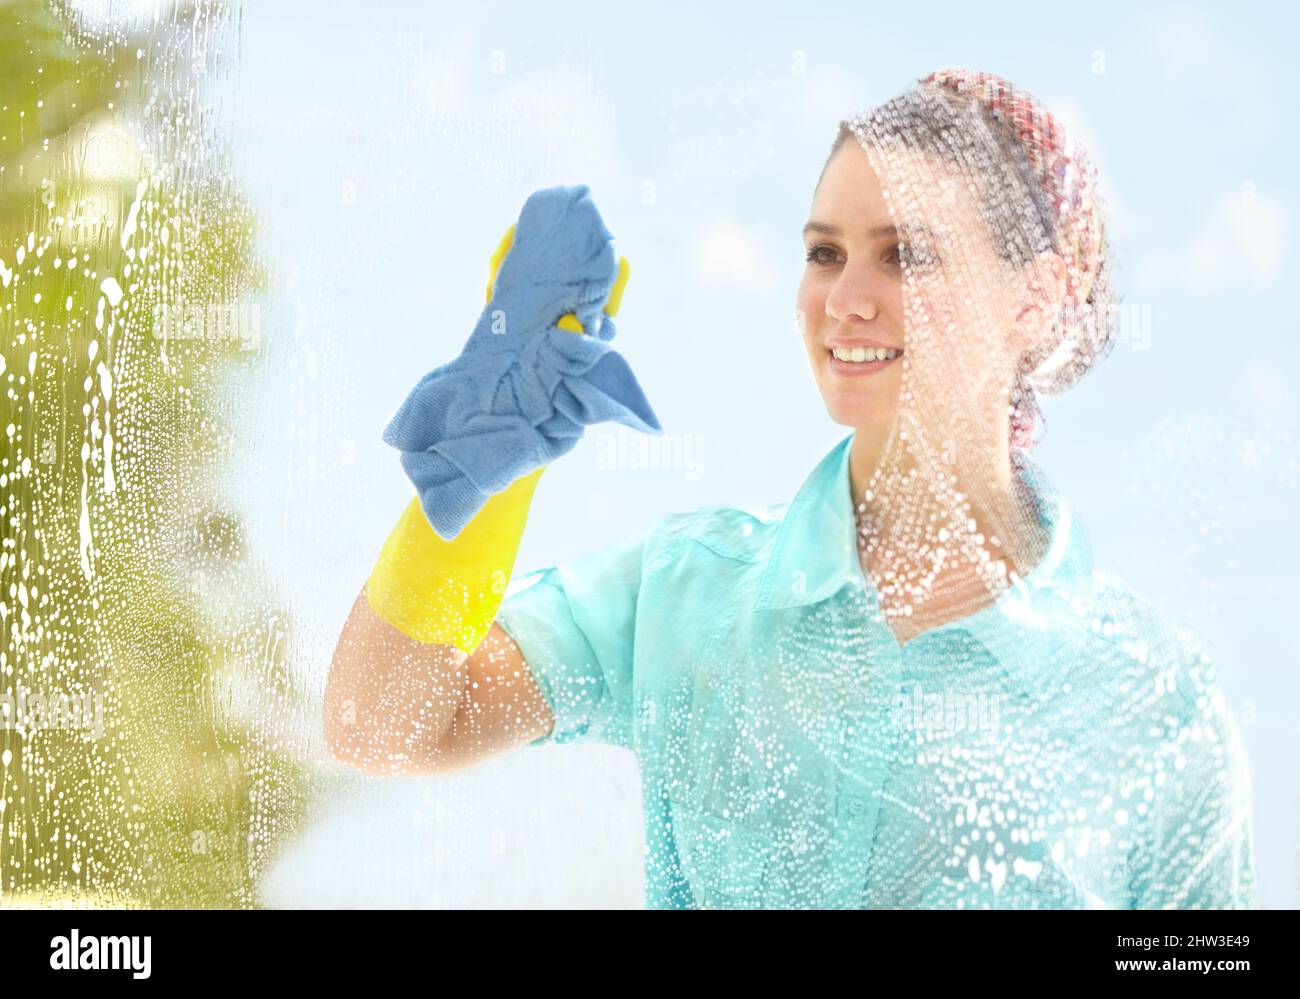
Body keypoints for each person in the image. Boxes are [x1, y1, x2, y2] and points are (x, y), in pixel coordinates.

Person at [325, 68, 1258, 910]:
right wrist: (495, 459)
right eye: (825, 252)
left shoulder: (1152, 698)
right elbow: (383, 723)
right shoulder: (691, 593)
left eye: (905, 255)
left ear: (1037, 299)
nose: (846, 297)